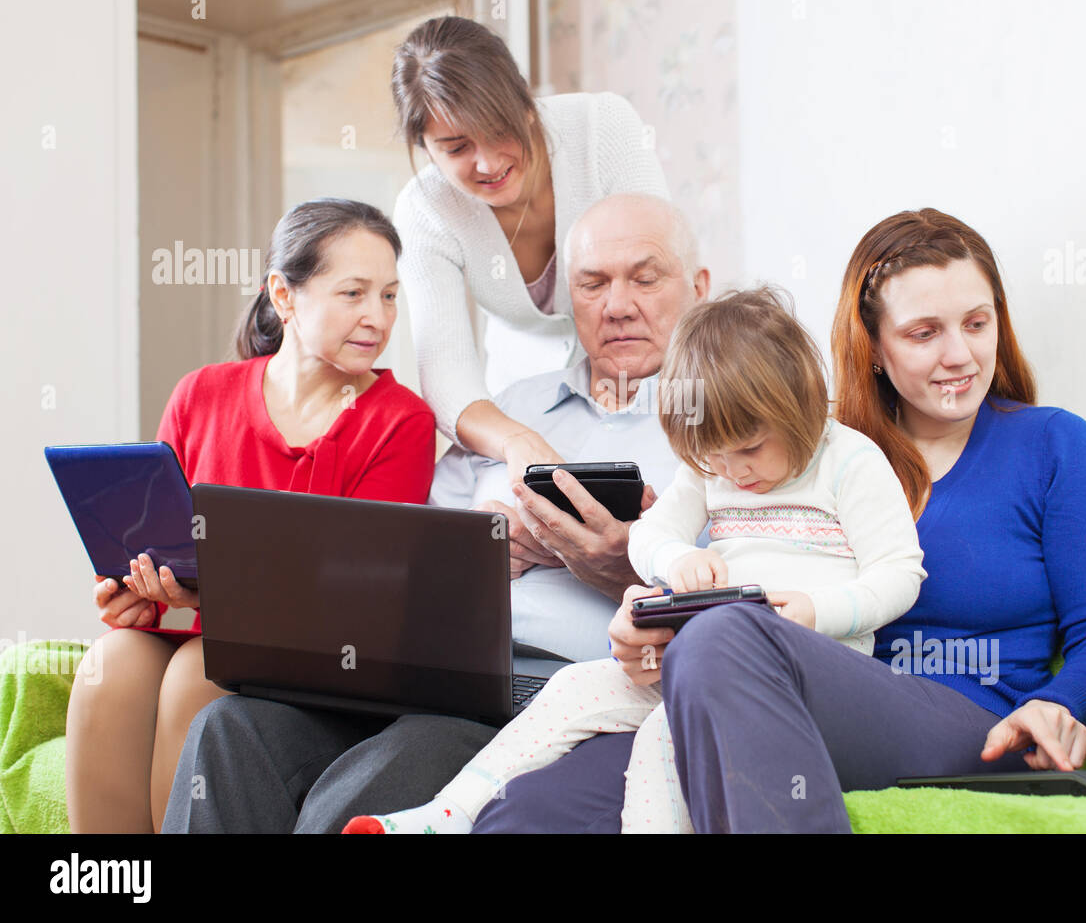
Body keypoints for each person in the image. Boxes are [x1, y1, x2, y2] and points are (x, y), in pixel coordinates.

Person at [470, 207, 1086, 834]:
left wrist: (1061, 703)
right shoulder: (795, 447)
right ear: (873, 346)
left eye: (977, 323)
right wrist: (648, 623)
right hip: (782, 705)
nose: (959, 354)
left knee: (726, 639)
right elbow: (726, 588)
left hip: (972, 726)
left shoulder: (1053, 446)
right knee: (534, 808)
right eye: (924, 333)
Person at [161, 192, 711, 833]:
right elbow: (406, 546)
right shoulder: (507, 411)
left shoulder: (725, 433)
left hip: (549, 694)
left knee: (377, 780)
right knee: (228, 730)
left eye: (644, 279)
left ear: (697, 287)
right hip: (423, 674)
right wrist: (473, 550)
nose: (618, 305)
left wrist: (621, 567)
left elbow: (744, 610)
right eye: (592, 284)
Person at [342, 287, 926, 834]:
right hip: (707, 660)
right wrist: (676, 562)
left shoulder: (848, 460)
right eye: (713, 457)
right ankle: (445, 815)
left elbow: (901, 574)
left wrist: (816, 613)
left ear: (798, 405)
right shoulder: (713, 469)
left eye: (749, 450)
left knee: (663, 735)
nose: (733, 472)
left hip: (812, 666)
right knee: (572, 687)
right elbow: (649, 536)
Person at [64, 198, 436, 833]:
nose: (377, 317)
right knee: (113, 661)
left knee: (195, 671)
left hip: (321, 660)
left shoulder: (401, 421)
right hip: (211, 633)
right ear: (283, 296)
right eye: (353, 293)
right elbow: (160, 539)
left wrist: (208, 597)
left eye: (391, 296)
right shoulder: (200, 394)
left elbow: (357, 597)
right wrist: (139, 595)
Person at [391, 15, 669, 484]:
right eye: (456, 148)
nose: (488, 163)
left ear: (525, 104)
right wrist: (515, 440)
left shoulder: (602, 128)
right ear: (425, 147)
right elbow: (445, 372)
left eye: (497, 129)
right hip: (519, 402)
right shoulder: (425, 209)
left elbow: (661, 272)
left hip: (651, 380)